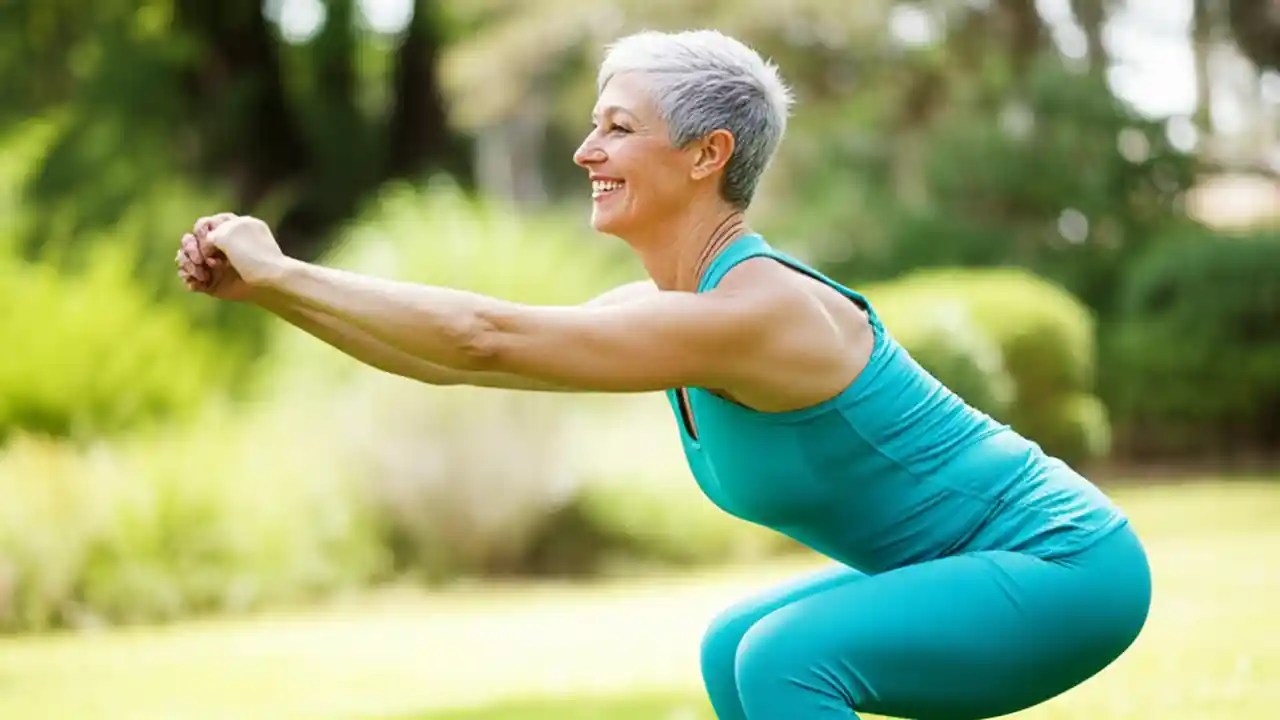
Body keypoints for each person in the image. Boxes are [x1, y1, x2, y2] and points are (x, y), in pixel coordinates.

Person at [175, 29, 1151, 720]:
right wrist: (272, 294)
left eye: (615, 128)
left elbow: (480, 336)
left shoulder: (756, 312)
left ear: (705, 154)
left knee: (786, 658)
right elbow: (455, 360)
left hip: (1066, 568)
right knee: (734, 649)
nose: (582, 150)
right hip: (990, 569)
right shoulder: (680, 316)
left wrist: (285, 265)